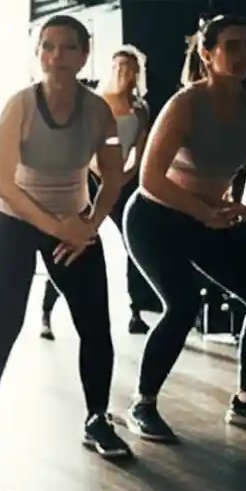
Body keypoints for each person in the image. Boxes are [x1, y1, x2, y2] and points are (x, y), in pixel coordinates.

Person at [0, 15, 132, 473]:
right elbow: (2, 182)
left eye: (66, 48)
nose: (55, 56)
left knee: (96, 324)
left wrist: (89, 225)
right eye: (47, 47)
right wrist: (60, 229)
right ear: (38, 54)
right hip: (12, 220)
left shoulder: (98, 111)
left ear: (83, 55)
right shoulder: (19, 105)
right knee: (6, 323)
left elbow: (112, 174)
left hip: (74, 222)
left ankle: (97, 419)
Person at [123, 15, 246, 443]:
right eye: (233, 46)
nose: (244, 56)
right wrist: (203, 213)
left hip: (209, 218)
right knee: (181, 305)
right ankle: (142, 405)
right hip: (155, 218)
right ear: (207, 53)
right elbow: (150, 177)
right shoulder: (186, 104)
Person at [39, 45, 154, 339]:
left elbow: (139, 152)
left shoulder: (140, 109)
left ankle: (136, 310)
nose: (121, 71)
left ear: (135, 73)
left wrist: (123, 175)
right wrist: (99, 171)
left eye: (127, 67)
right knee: (75, 238)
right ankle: (47, 311)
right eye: (116, 66)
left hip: (122, 180)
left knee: (133, 242)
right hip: (89, 177)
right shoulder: (95, 102)